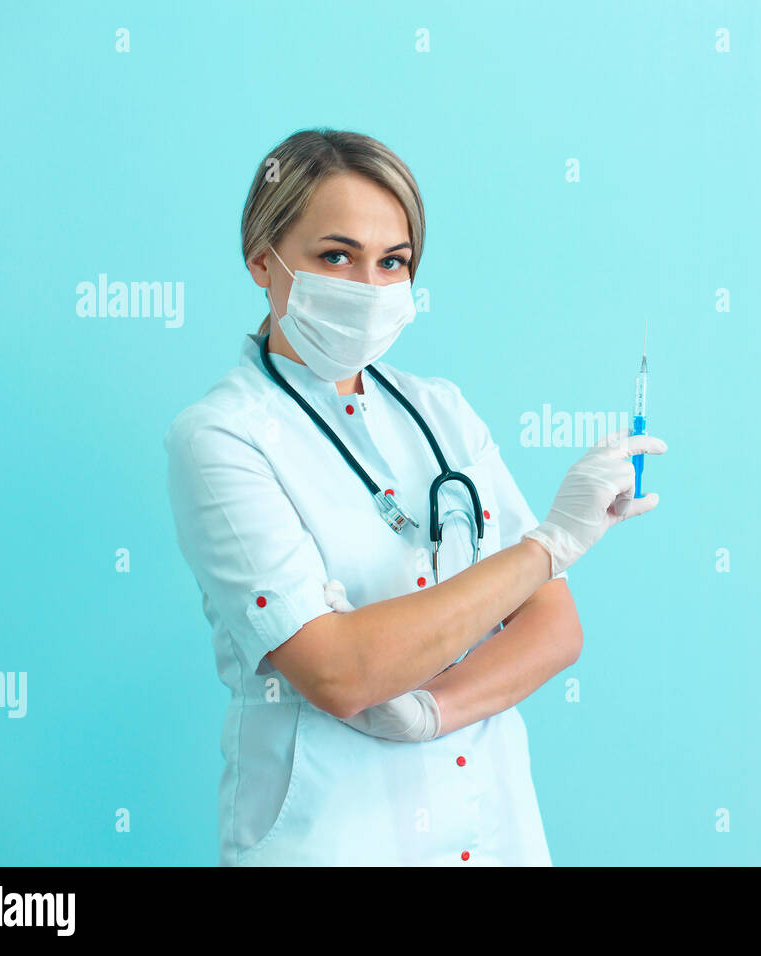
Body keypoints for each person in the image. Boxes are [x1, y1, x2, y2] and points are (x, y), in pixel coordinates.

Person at [163, 128, 667, 865]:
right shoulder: (221, 438)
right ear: (261, 259)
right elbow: (339, 671)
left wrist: (429, 712)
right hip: (333, 837)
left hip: (493, 833)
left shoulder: (440, 411)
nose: (369, 287)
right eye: (336, 255)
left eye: (392, 262)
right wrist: (546, 548)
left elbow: (554, 629)